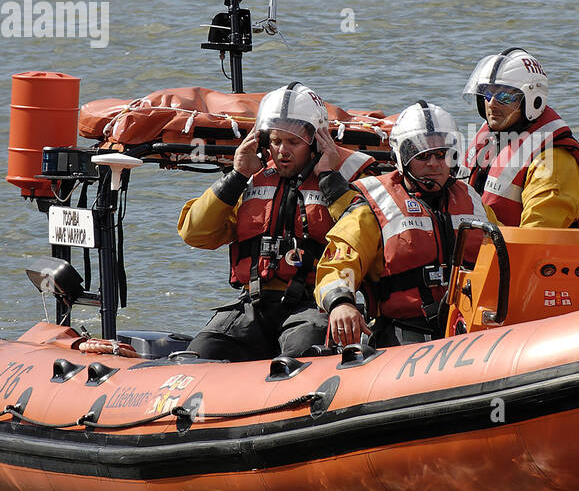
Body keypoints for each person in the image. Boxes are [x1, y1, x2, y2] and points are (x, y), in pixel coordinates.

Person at [179, 83, 374, 360]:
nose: (283, 150)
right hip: (252, 305)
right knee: (200, 355)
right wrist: (236, 176)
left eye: (293, 142)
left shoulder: (348, 179)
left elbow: (364, 231)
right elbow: (195, 234)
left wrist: (329, 179)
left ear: (316, 141)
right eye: (276, 140)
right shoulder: (251, 178)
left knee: (303, 355)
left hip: (312, 305)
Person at [315, 102, 487, 347]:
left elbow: (507, 249)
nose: (434, 163)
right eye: (423, 155)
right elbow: (337, 264)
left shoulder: (471, 199)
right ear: (401, 158)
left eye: (441, 154)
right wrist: (341, 303)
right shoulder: (374, 206)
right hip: (404, 332)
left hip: (469, 326)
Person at [461, 48, 579, 228]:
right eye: (487, 93)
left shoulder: (554, 163)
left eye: (504, 96)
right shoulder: (493, 136)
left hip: (514, 253)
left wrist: (473, 210)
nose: (491, 103)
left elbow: (535, 241)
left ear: (532, 100)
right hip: (475, 246)